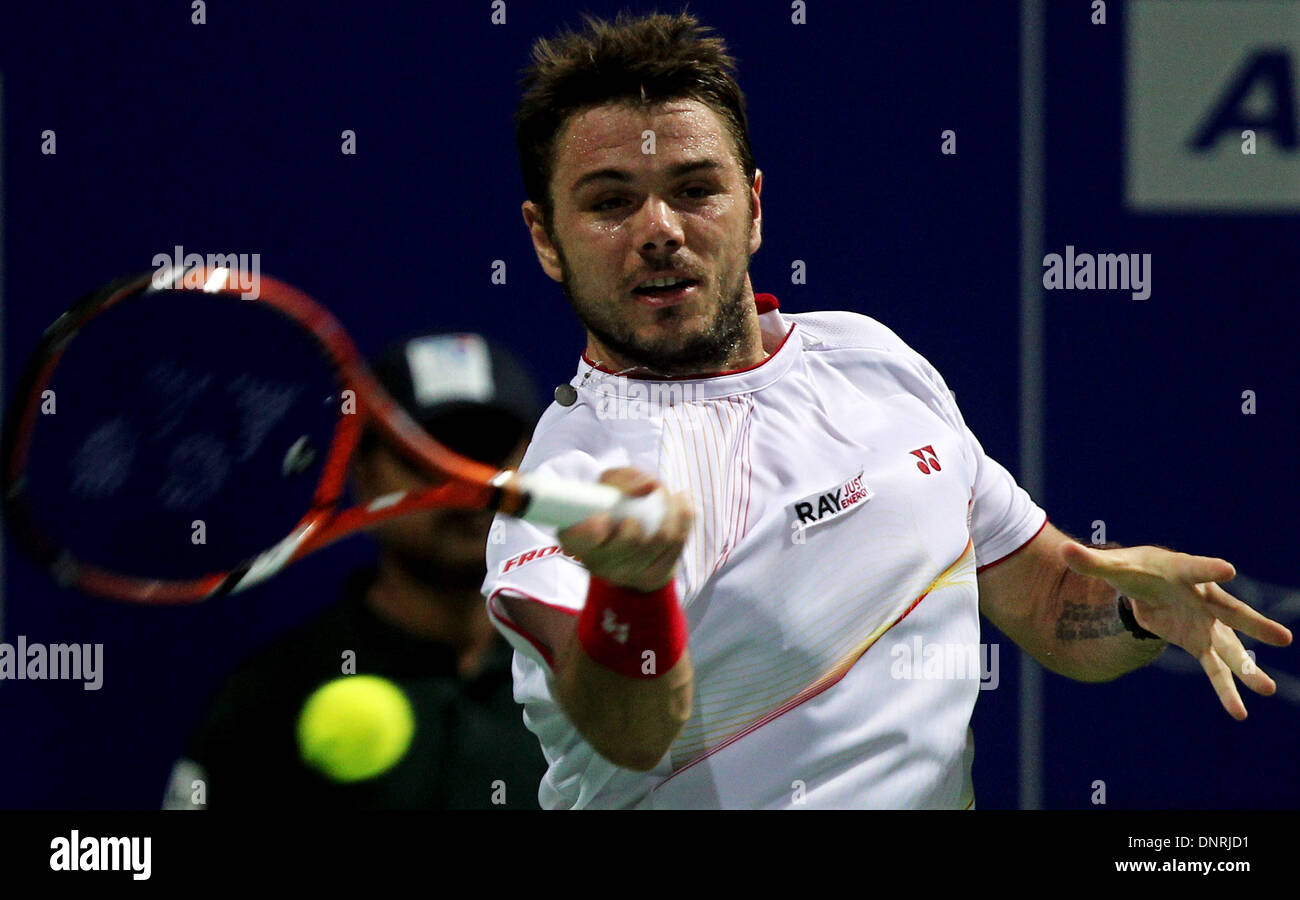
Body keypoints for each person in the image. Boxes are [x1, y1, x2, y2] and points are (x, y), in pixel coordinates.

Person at [480, 11, 1293, 809]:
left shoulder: (868, 357)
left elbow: (1047, 599)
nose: (659, 230)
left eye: (695, 189)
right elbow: (630, 733)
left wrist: (1133, 610)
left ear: (754, 207)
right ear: (546, 238)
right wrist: (633, 591)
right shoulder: (570, 485)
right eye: (610, 203)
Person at [165, 332, 548, 809]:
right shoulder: (269, 697)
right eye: (425, 454)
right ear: (363, 474)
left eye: (486, 451)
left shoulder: (589, 682)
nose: (465, 485)